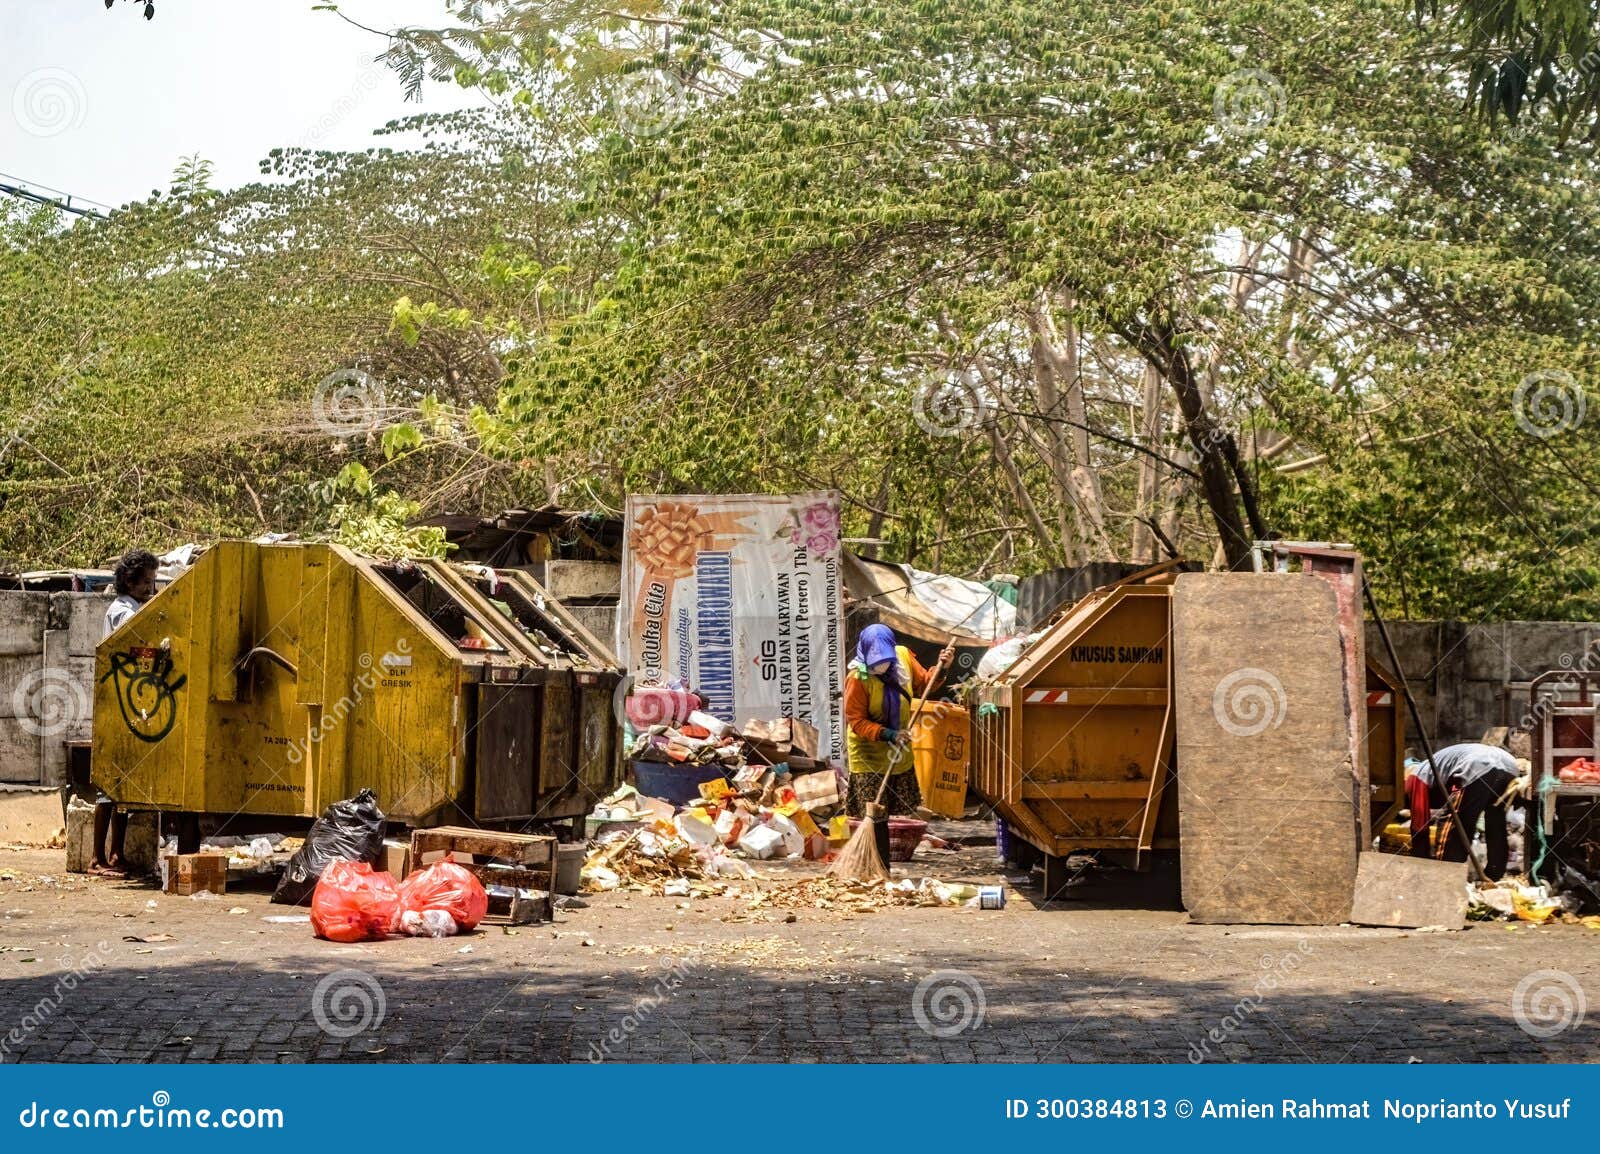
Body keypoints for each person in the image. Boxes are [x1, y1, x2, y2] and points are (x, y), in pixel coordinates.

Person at [92, 549, 159, 875]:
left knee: (121, 788)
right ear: (130, 581)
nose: (151, 587)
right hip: (117, 704)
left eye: (152, 581)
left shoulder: (132, 608)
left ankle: (116, 855)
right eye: (146, 581)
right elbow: (136, 650)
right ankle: (97, 858)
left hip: (127, 703)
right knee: (108, 787)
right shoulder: (123, 612)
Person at [842, 623, 954, 818]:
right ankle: (876, 848)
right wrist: (889, 734)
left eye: (884, 659)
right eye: (875, 661)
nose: (880, 665)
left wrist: (942, 668)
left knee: (900, 814)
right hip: (869, 758)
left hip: (899, 754)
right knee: (874, 818)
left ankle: (895, 848)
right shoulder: (857, 677)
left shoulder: (903, 657)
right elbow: (857, 721)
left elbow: (925, 684)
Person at [1407, 742, 1519, 880]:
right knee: (1496, 823)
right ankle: (1494, 876)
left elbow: (1419, 826)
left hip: (1477, 765)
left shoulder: (1415, 777)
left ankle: (1446, 876)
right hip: (1509, 767)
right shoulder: (1435, 766)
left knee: (1455, 824)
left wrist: (1421, 862)